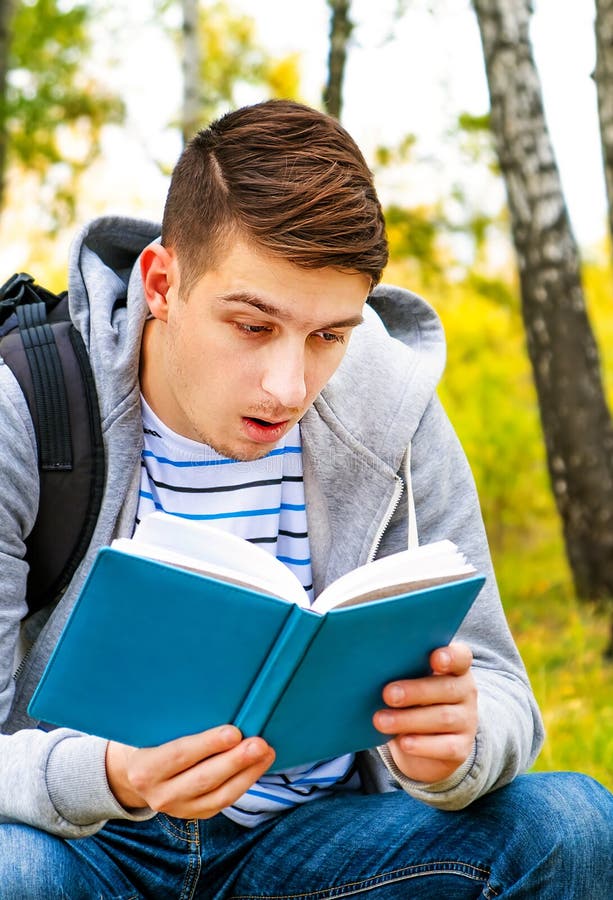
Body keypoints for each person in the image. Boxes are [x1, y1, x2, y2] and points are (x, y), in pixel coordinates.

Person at [0, 99, 611, 899]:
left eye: (328, 335)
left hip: (312, 845)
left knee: (573, 824)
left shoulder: (392, 410)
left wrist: (459, 747)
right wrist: (113, 775)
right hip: (83, 841)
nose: (287, 386)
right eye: (253, 326)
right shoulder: (26, 405)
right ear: (161, 281)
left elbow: (497, 685)